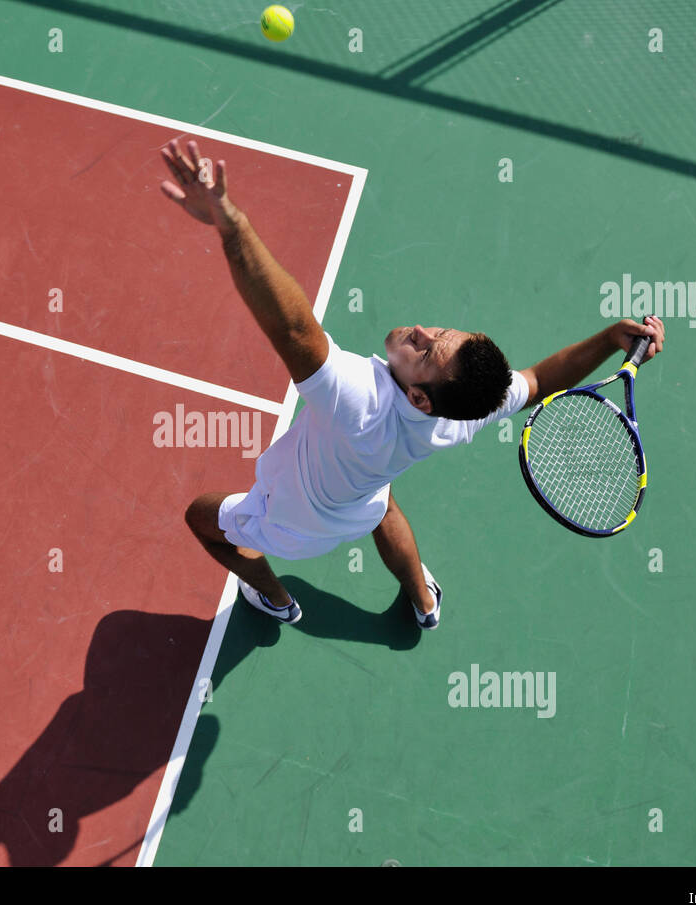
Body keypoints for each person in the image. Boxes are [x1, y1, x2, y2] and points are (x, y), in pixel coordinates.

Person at [160, 139, 664, 628]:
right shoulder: (469, 407)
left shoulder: (358, 400)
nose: (421, 331)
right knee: (384, 505)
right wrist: (608, 339)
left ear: (420, 395)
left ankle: (274, 597)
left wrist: (231, 225)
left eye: (425, 351)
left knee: (200, 519)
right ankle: (423, 601)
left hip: (293, 521)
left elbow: (293, 328)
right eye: (441, 332)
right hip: (362, 501)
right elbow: (536, 380)